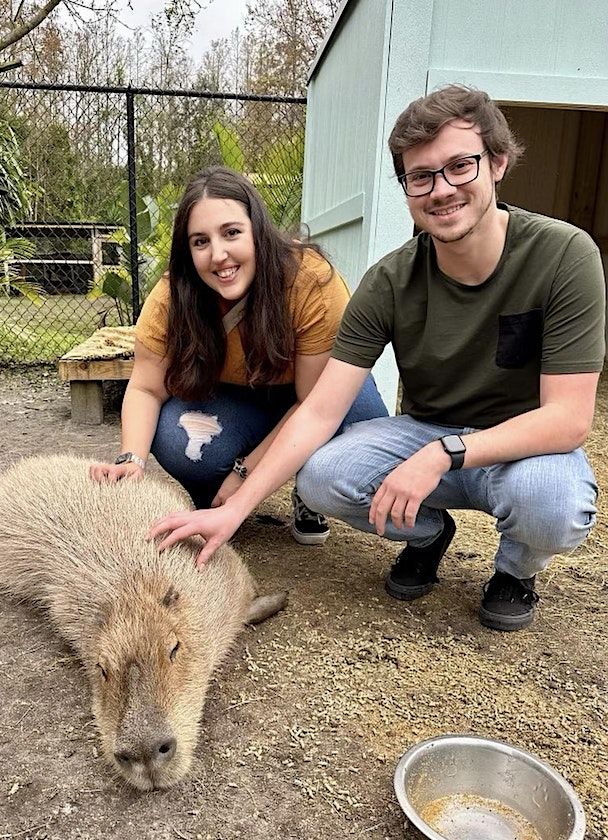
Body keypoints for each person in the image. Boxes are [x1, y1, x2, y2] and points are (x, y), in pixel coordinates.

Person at [149, 86, 606, 633]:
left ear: (498, 162)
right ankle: (427, 533)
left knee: (552, 502)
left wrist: (444, 453)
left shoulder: (564, 255)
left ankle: (516, 570)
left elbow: (568, 419)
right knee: (321, 478)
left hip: (516, 443)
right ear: (407, 188)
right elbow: (319, 410)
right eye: (421, 176)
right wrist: (235, 507)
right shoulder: (390, 279)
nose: (441, 190)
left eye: (460, 166)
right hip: (425, 429)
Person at [90, 166, 388, 544]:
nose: (218, 255)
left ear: (258, 230)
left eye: (231, 233)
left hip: (316, 395)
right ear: (187, 250)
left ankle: (305, 494)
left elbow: (314, 405)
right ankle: (214, 498)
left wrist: (243, 476)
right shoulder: (172, 297)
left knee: (358, 442)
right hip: (240, 399)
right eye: (200, 241)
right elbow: (146, 388)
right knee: (178, 438)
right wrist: (131, 459)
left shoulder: (310, 280)